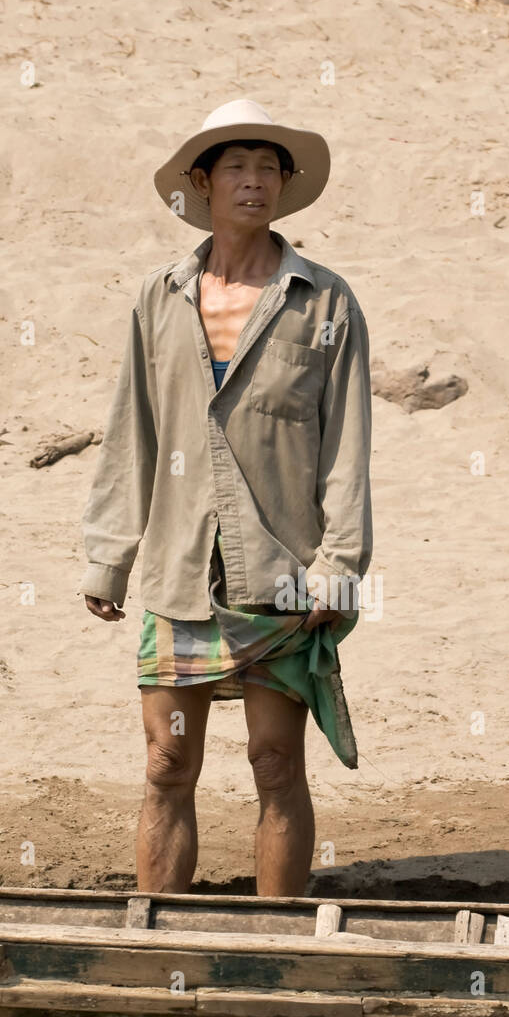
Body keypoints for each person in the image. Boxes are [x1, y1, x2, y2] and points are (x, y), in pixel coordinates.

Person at [79, 99, 373, 897]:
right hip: (176, 573)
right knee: (167, 764)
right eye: (237, 168)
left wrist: (339, 567)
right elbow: (129, 430)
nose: (254, 183)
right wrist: (109, 556)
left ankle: (279, 952)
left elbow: (346, 446)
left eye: (269, 168)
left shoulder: (326, 302)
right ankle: (153, 938)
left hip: (282, 577)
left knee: (275, 765)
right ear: (203, 184)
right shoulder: (159, 297)